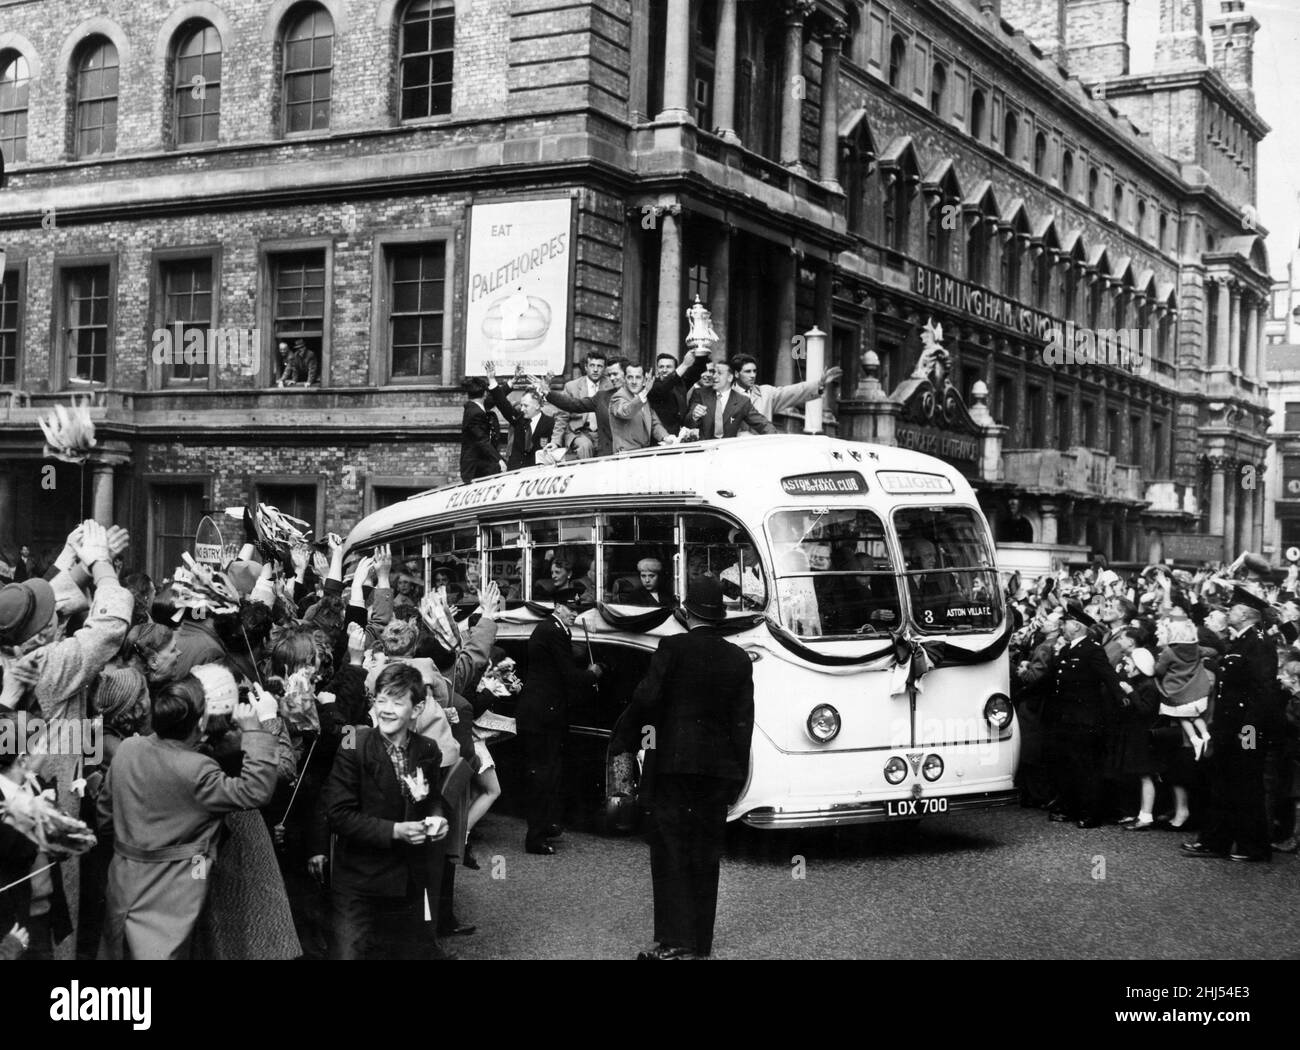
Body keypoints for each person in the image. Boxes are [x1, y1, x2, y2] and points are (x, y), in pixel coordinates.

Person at [616, 578, 754, 960]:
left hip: (673, 767)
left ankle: (675, 943)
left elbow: (647, 699)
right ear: (720, 616)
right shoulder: (738, 659)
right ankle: (699, 943)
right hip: (718, 772)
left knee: (671, 850)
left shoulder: (672, 647)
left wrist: (624, 741)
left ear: (686, 611)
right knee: (705, 854)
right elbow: (743, 724)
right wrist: (737, 779)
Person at [96, 675, 280, 959]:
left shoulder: (128, 749)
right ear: (200, 724)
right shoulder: (198, 769)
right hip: (174, 888)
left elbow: (106, 818)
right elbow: (256, 791)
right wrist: (255, 731)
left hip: (123, 878)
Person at [324, 661, 450, 960]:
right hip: (359, 881)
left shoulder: (428, 749)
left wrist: (439, 817)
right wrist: (396, 831)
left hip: (407, 879)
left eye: (397, 702)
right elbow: (338, 814)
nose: (387, 710)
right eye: (381, 700)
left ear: (416, 710)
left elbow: (432, 798)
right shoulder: (354, 744)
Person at [1182, 593, 1282, 862]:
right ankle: (1215, 842)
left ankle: (1254, 847)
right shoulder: (1241, 641)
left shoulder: (1259, 643)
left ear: (1247, 614)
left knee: (1247, 785)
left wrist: (1248, 733)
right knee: (1222, 783)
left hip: (1246, 730)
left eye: (1234, 609)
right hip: (1228, 726)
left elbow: (1262, 692)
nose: (1228, 612)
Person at [514, 592, 603, 854]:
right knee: (543, 775)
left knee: (548, 772)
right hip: (542, 715)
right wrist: (592, 674)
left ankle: (545, 824)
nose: (575, 612)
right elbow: (568, 675)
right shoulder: (553, 631)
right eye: (571, 607)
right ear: (558, 606)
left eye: (578, 608)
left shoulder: (554, 629)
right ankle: (535, 838)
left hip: (543, 712)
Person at [1044, 603, 1125, 828]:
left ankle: (1091, 813)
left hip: (1086, 718)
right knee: (1070, 765)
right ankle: (1072, 807)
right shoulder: (1069, 649)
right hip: (1067, 717)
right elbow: (1053, 679)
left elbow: (1109, 677)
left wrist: (1124, 698)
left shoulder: (1092, 649)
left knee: (1087, 767)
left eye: (1067, 622)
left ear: (1077, 626)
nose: (1063, 626)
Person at [544, 356, 626, 458]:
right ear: (586, 367)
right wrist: (555, 442)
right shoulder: (572, 386)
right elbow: (563, 414)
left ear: (604, 369)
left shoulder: (612, 384)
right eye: (592, 366)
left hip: (603, 432)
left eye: (599, 366)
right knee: (585, 446)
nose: (595, 369)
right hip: (579, 432)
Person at [729, 353, 842, 423]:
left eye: (754, 371)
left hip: (761, 450)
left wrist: (819, 384)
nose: (753, 375)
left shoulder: (766, 393)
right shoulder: (725, 396)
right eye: (748, 372)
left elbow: (794, 392)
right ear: (737, 374)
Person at [683, 361, 778, 440]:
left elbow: (762, 424)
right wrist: (694, 416)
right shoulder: (700, 394)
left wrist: (778, 441)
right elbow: (687, 423)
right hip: (702, 451)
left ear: (730, 377)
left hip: (727, 451)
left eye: (719, 373)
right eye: (713, 372)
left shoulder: (742, 401)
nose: (714, 376)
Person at [490, 378, 559, 469]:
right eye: (522, 405)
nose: (522, 409)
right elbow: (502, 403)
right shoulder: (518, 419)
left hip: (537, 472)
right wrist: (491, 379)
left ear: (537, 406)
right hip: (516, 471)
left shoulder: (550, 423)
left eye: (526, 406)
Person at [609, 363, 675, 453]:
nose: (634, 382)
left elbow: (654, 423)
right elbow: (626, 412)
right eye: (630, 377)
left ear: (644, 380)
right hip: (625, 456)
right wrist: (645, 391)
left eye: (638, 377)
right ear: (624, 379)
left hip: (642, 453)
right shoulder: (618, 397)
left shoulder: (643, 397)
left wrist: (666, 437)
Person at [649, 346, 711, 435]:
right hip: (661, 439)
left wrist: (698, 349)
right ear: (657, 369)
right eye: (661, 367)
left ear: (675, 369)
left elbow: (698, 369)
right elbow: (663, 387)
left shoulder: (680, 384)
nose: (664, 370)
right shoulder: (653, 386)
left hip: (680, 437)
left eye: (668, 367)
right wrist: (684, 365)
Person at [459, 374, 509, 483]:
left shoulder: (475, 407)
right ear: (485, 393)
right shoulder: (476, 413)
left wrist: (511, 383)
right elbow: (482, 441)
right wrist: (499, 460)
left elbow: (495, 398)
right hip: (476, 467)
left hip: (479, 463)